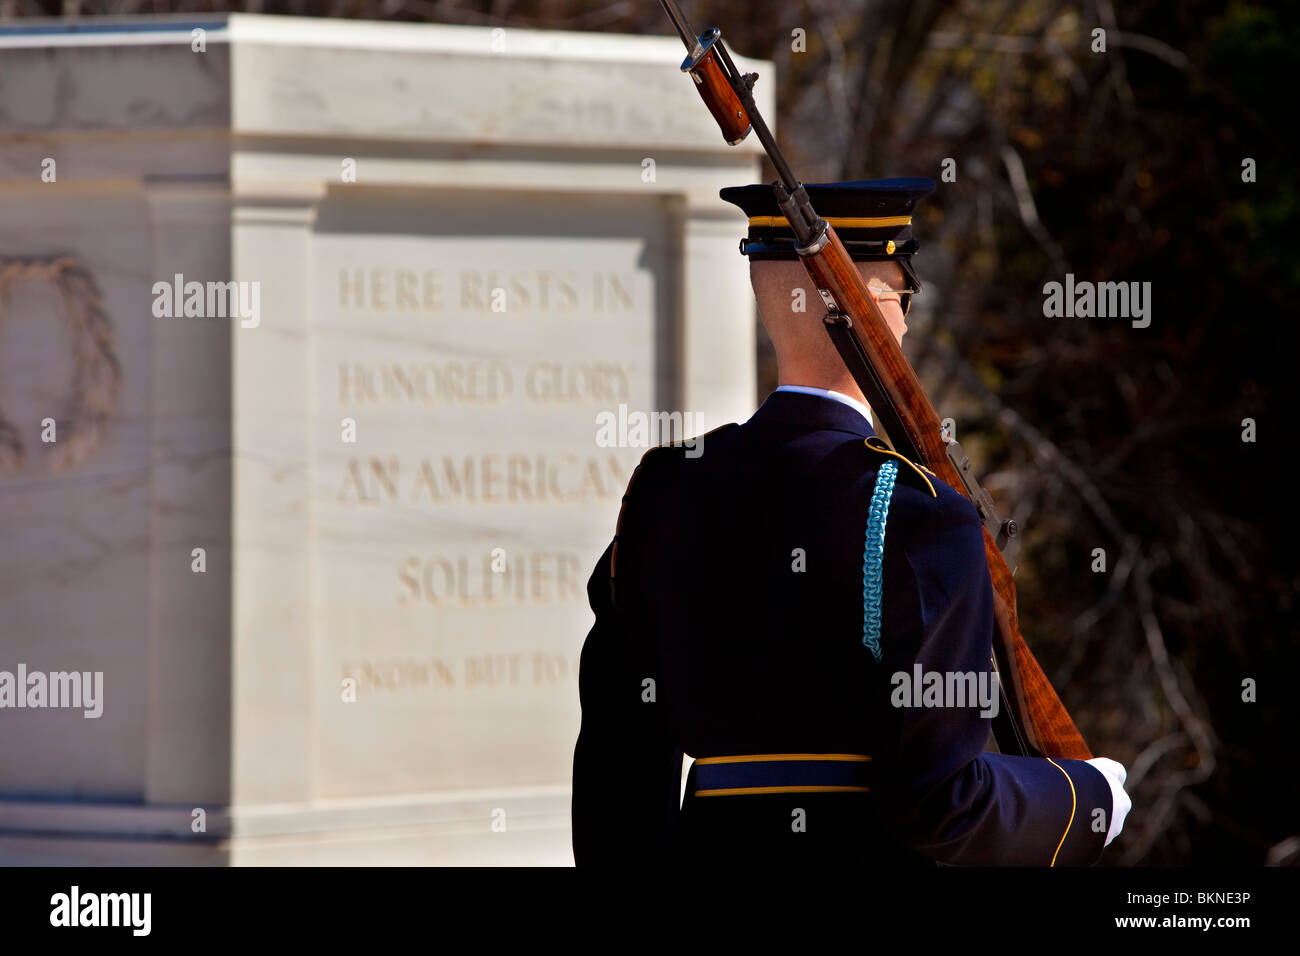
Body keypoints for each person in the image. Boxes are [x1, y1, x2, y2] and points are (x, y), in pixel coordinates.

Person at [571, 178, 1131, 866]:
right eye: (902, 299)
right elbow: (941, 803)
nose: (905, 325)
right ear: (874, 312)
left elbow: (616, 776)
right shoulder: (920, 515)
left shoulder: (663, 493)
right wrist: (1084, 797)